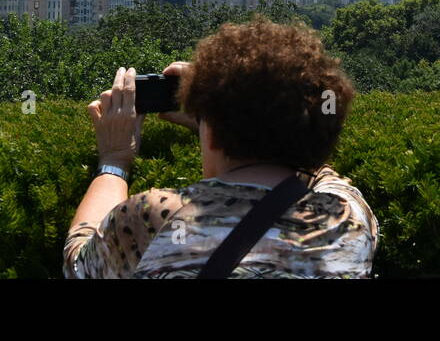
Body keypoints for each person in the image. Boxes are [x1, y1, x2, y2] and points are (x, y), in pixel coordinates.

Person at [63, 17, 377, 278]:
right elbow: (318, 166)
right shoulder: (348, 217)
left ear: (211, 136)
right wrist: (218, 113)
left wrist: (114, 160)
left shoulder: (156, 218)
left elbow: (79, 264)